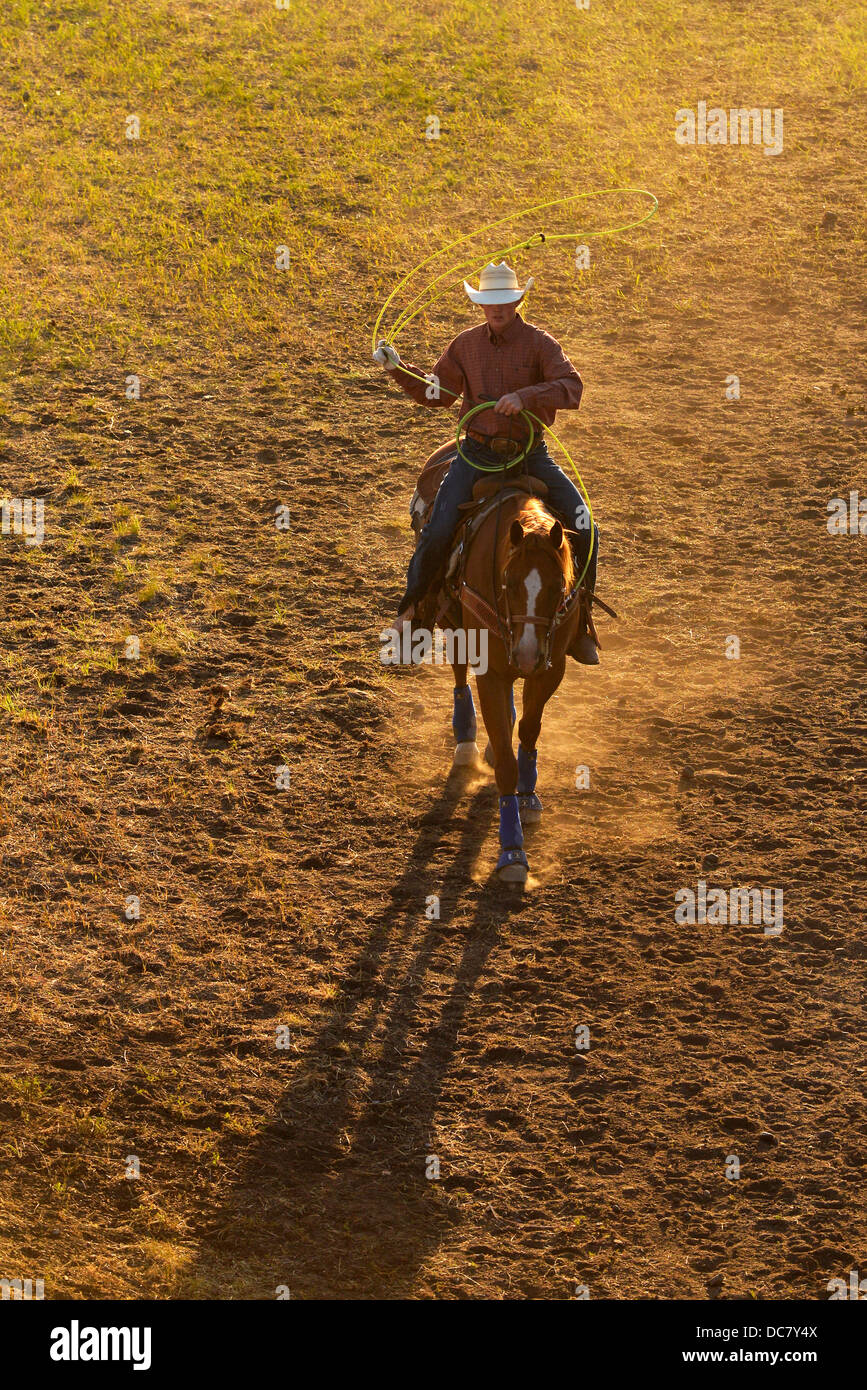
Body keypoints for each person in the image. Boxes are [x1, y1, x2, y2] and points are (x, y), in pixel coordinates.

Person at [374, 261, 599, 664]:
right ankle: (411, 616)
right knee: (438, 527)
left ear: (517, 301)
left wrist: (526, 397)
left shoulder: (540, 344)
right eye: (490, 303)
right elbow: (437, 394)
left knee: (586, 525)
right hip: (475, 454)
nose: (497, 309)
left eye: (505, 302)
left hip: (530, 455)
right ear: (481, 306)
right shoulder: (465, 346)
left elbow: (572, 387)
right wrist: (397, 369)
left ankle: (580, 623)